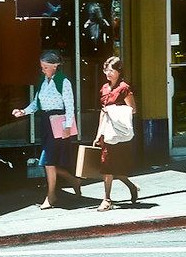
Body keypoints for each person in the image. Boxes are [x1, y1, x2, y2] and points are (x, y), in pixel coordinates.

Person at [12, 50, 82, 210]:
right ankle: (73, 181)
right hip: (45, 122)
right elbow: (37, 103)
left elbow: (70, 105)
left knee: (48, 161)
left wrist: (67, 126)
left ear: (54, 66)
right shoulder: (43, 81)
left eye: (45, 67)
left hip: (58, 123)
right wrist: (23, 111)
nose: (42, 69)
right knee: (49, 162)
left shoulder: (63, 82)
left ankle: (51, 196)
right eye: (42, 66)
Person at [93, 56, 139, 212]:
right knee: (107, 165)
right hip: (107, 132)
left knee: (115, 167)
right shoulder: (104, 88)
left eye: (111, 70)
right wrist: (98, 134)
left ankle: (128, 188)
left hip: (119, 133)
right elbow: (102, 111)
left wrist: (113, 110)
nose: (108, 73)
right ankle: (107, 198)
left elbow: (132, 109)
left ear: (119, 71)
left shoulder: (124, 88)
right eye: (106, 70)